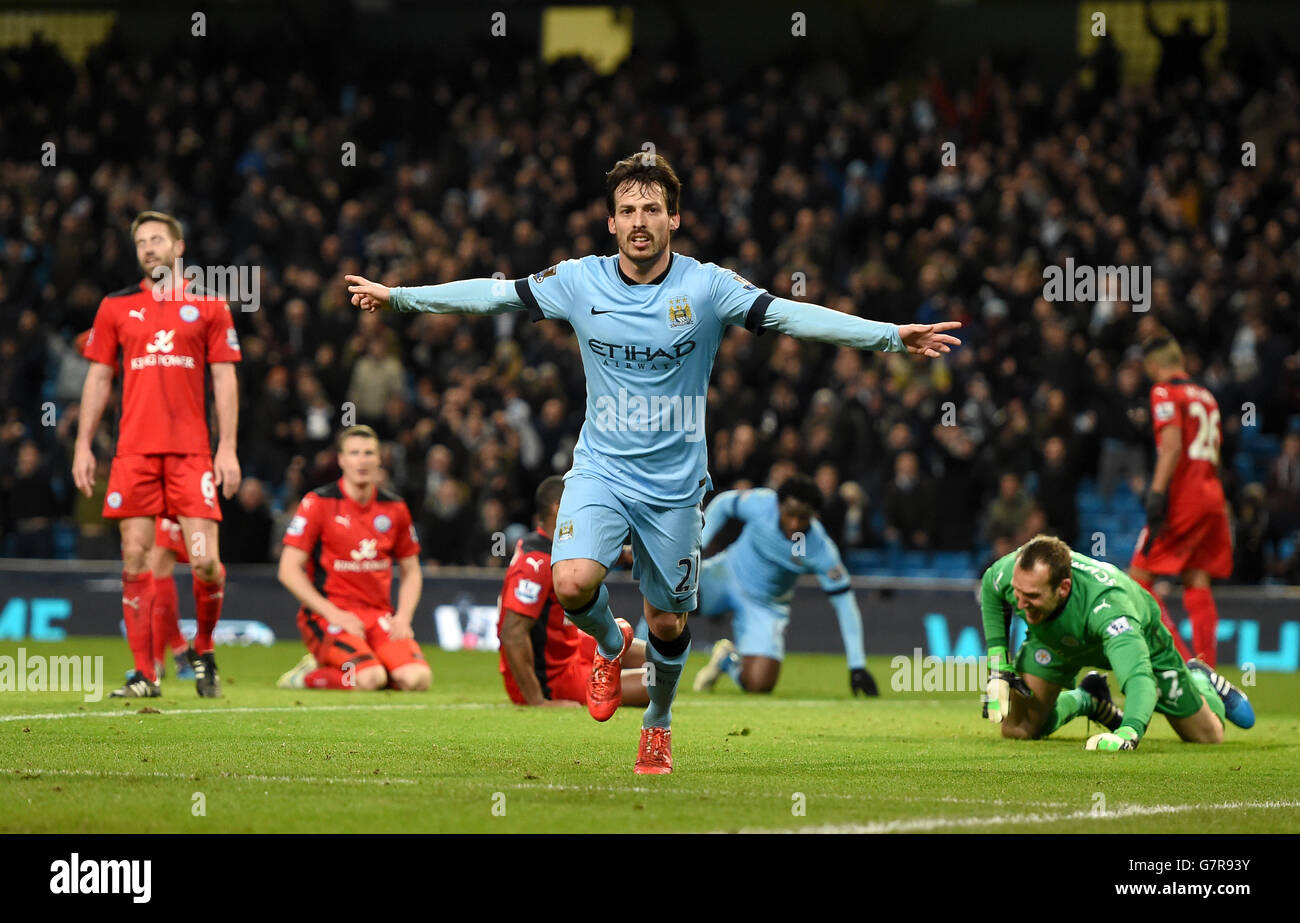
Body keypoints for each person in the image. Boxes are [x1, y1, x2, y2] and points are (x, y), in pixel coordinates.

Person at [346, 152, 959, 772]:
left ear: (674, 219)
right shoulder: (580, 281)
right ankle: (611, 646)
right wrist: (398, 297)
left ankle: (658, 721)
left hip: (675, 488)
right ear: (610, 222)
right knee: (572, 583)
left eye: (652, 209)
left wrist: (888, 335)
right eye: (628, 210)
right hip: (601, 470)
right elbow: (494, 295)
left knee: (667, 624)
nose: (640, 221)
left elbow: (792, 316)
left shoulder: (708, 287)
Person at [73, 211, 240, 698]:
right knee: (135, 556)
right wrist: (84, 443)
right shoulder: (115, 307)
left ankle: (203, 648)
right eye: (141, 242)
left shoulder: (209, 306)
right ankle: (146, 673)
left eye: (157, 240)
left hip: (191, 455)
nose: (149, 248)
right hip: (135, 455)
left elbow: (225, 378)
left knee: (205, 561)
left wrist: (226, 447)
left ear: (178, 247)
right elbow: (99, 378)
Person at [981, 534, 1254, 751]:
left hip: (1142, 643)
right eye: (1017, 592)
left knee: (1207, 736)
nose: (1019, 602)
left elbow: (1139, 679)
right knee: (1018, 729)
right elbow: (991, 587)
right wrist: (1000, 669)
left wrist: (1129, 732)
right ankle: (1087, 700)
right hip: (1054, 641)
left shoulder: (1110, 607)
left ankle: (1199, 678)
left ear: (1063, 588)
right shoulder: (1013, 573)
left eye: (1031, 596)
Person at [688, 475, 878, 696]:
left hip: (766, 605)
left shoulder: (820, 548)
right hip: (726, 574)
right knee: (673, 596)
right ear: (778, 505)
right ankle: (646, 666)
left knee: (759, 684)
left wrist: (857, 665)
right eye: (790, 514)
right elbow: (723, 504)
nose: (795, 524)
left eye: (803, 518)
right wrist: (698, 544)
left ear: (814, 516)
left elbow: (845, 602)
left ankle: (726, 661)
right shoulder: (761, 503)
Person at [276, 426, 430, 692]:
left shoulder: (395, 508)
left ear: (379, 459)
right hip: (328, 617)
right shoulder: (318, 503)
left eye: (369, 453)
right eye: (355, 453)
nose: (362, 460)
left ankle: (372, 663)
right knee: (370, 680)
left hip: (377, 616)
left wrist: (403, 617)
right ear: (341, 459)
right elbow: (288, 570)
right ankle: (308, 676)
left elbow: (412, 571)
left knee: (417, 679)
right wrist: (334, 614)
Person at [498, 475, 650, 708]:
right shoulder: (535, 564)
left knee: (653, 656)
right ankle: (597, 680)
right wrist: (537, 700)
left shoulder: (547, 547)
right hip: (553, 675)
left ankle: (602, 669)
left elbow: (584, 558)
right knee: (655, 682)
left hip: (568, 646)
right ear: (558, 509)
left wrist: (628, 553)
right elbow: (512, 632)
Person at [1129, 332, 1232, 667]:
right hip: (1212, 497)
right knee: (1197, 580)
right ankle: (1208, 670)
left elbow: (1171, 447)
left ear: (1154, 364)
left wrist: (1157, 493)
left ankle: (1183, 664)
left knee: (1138, 580)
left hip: (1184, 499)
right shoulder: (1206, 395)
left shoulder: (1163, 391)